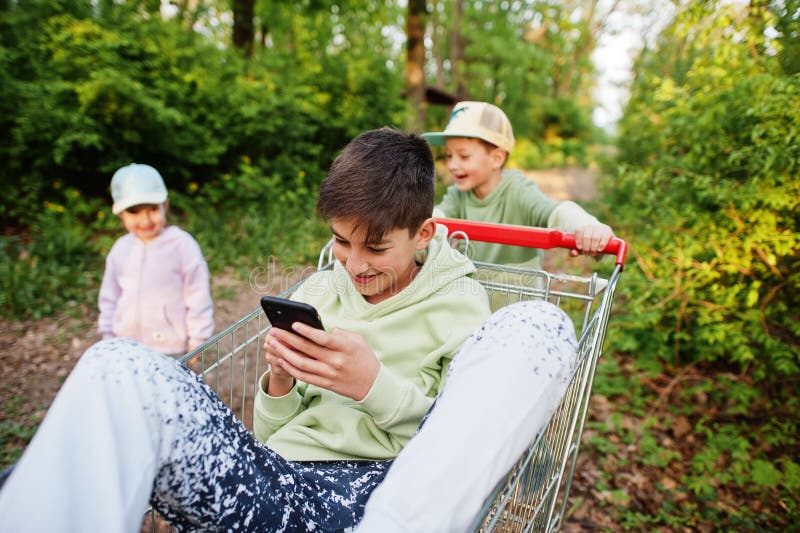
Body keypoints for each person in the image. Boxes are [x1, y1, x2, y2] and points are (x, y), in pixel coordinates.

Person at [0, 128, 578, 533]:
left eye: (376, 247)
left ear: (424, 233)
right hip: (279, 487)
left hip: (388, 493)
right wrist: (278, 381)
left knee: (542, 325)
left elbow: (459, 441)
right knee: (116, 365)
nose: (354, 265)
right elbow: (270, 436)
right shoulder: (321, 291)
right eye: (341, 241)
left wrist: (371, 384)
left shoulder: (459, 308)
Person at [422, 101, 616, 269]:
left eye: (463, 156)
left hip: (520, 302)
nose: (452, 165)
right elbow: (436, 218)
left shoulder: (518, 190)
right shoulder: (457, 196)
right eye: (448, 155)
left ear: (497, 158)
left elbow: (554, 212)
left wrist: (588, 227)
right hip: (474, 299)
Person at [97, 163, 214, 355]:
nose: (145, 220)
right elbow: (110, 296)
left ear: (165, 206)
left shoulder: (182, 244)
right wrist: (108, 336)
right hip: (125, 345)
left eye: (152, 209)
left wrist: (198, 338)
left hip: (170, 346)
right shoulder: (120, 249)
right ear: (121, 214)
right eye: (134, 212)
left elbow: (197, 294)